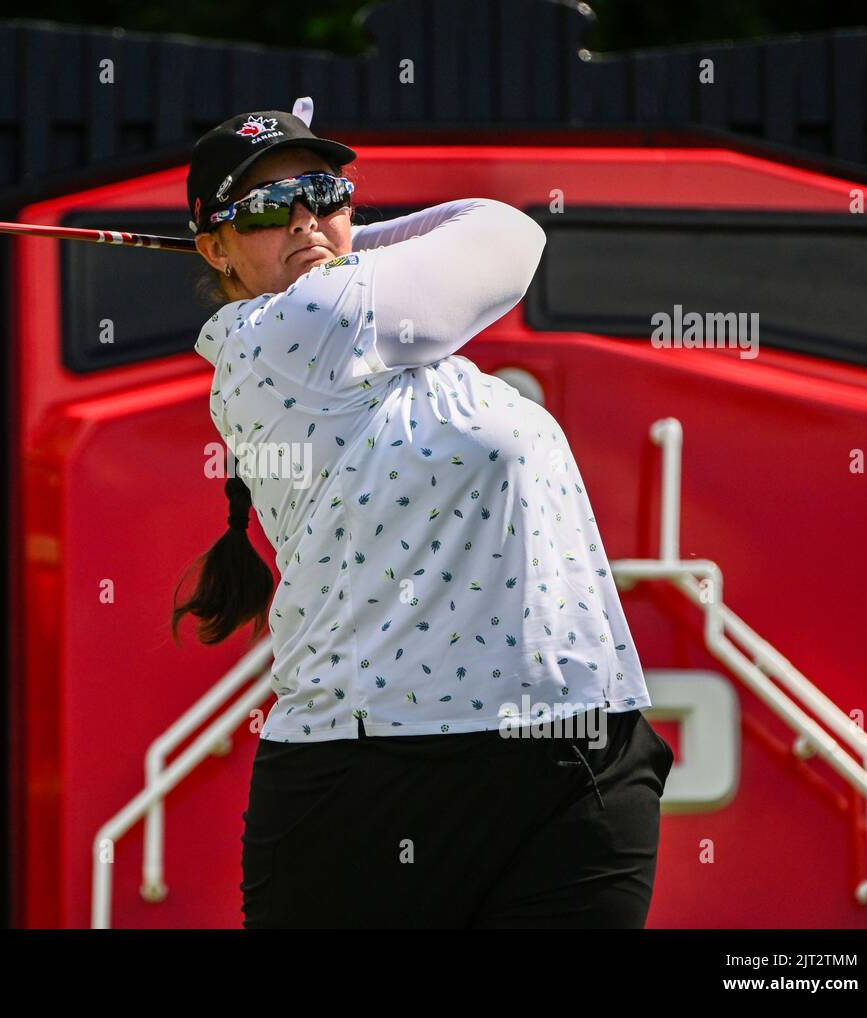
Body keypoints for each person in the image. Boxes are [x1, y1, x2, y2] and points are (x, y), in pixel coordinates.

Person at [171, 97, 675, 928]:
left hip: (576, 756)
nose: (303, 218)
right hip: (375, 784)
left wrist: (323, 243)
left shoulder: (400, 342)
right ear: (215, 248)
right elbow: (510, 238)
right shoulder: (284, 334)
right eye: (265, 208)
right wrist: (349, 245)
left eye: (324, 193)